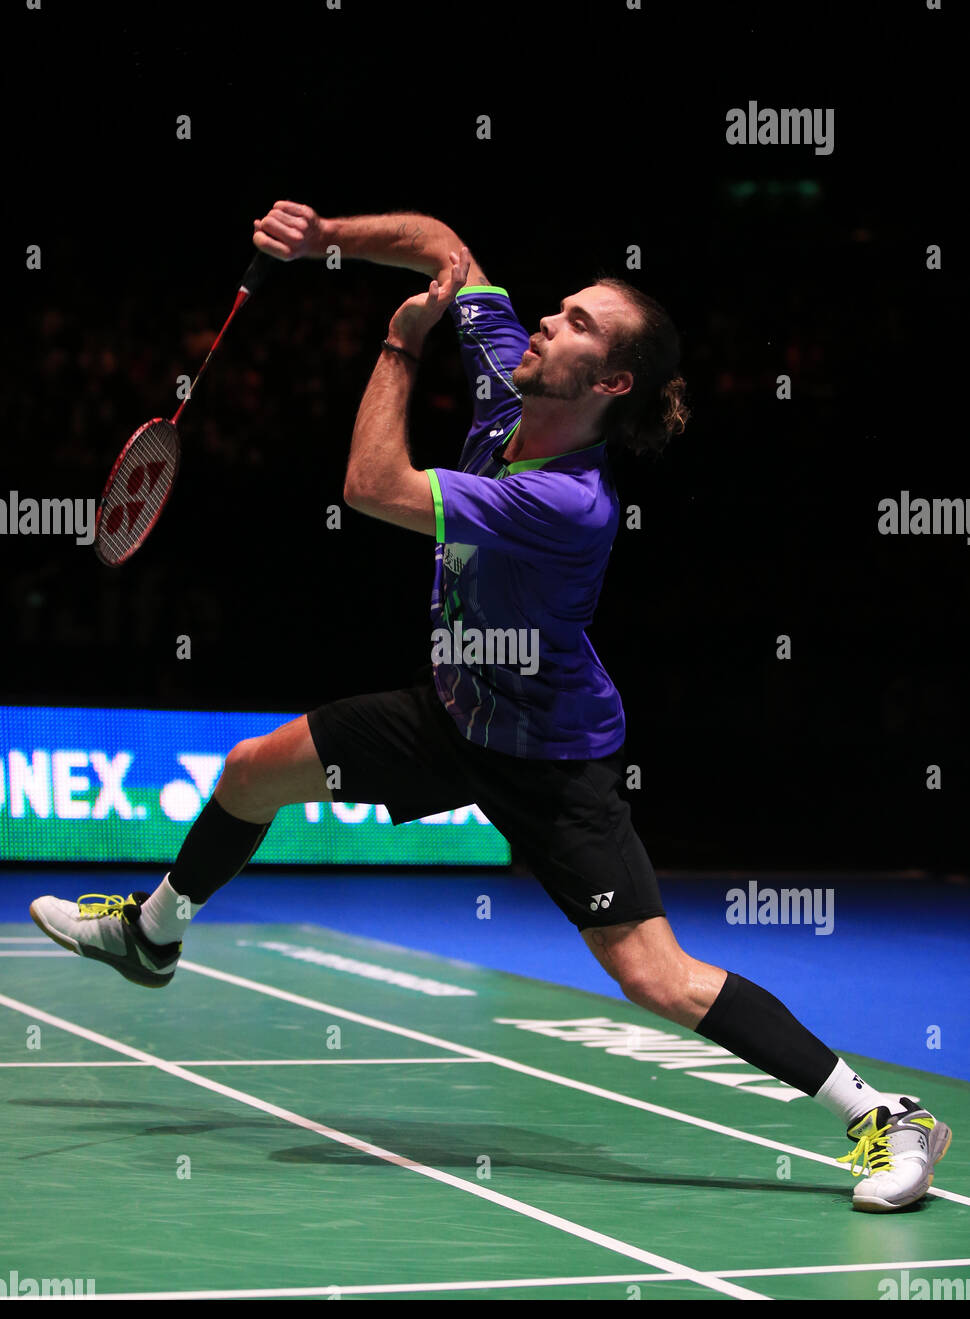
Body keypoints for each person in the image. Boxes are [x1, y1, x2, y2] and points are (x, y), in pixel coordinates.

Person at [30, 202, 951, 1214]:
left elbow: (371, 483)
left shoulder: (566, 503)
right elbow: (441, 244)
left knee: (655, 976)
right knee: (252, 772)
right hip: (454, 711)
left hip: (551, 759)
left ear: (608, 384)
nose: (549, 321)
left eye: (578, 324)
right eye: (556, 309)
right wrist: (322, 235)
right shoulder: (511, 369)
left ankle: (885, 1115)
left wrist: (395, 343)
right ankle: (154, 934)